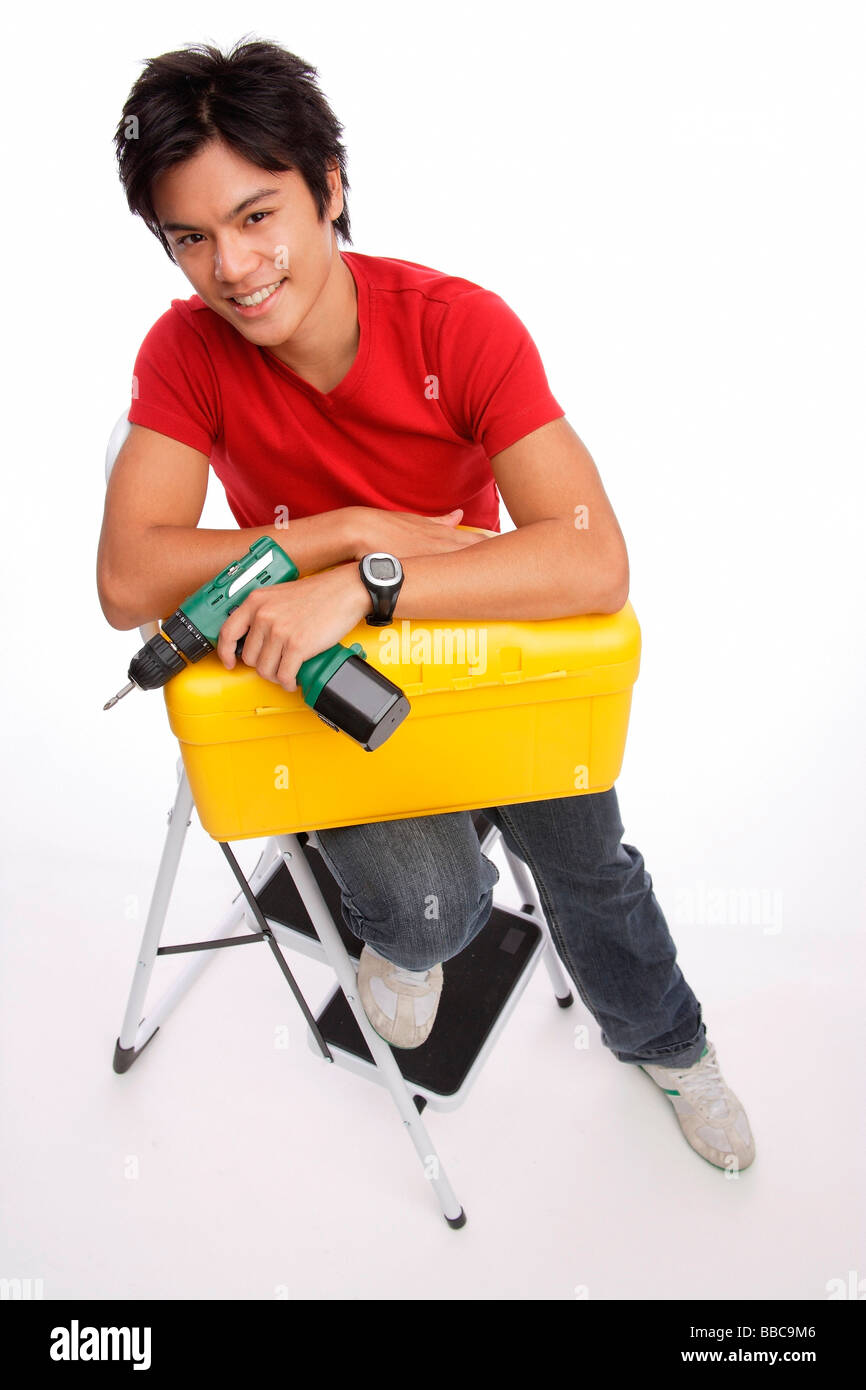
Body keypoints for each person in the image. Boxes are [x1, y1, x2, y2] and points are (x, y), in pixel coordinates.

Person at [98, 37, 755, 1173]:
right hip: (319, 668)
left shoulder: (457, 324)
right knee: (436, 910)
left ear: (329, 187)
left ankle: (670, 1043)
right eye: (190, 238)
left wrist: (371, 580)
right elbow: (125, 579)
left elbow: (592, 563)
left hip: (475, 638)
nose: (232, 267)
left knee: (588, 863)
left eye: (258, 216)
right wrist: (344, 531)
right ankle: (407, 948)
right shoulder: (187, 350)